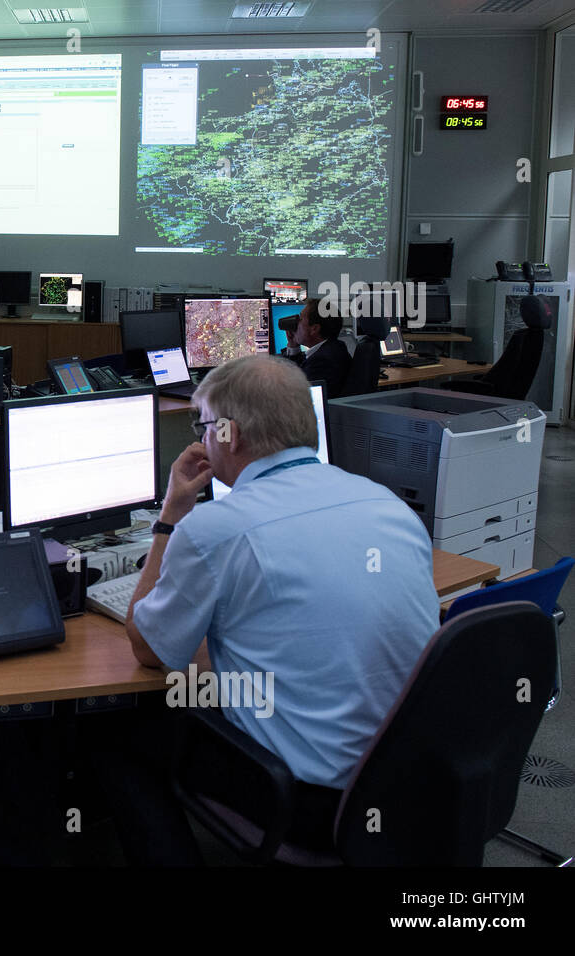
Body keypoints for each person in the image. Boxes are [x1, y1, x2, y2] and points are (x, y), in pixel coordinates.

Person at [105, 355, 440, 861]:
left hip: (309, 803)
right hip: (407, 784)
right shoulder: (387, 505)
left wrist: (171, 516)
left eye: (203, 425)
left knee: (119, 738)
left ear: (229, 435)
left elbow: (149, 649)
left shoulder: (216, 529)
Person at [281, 296, 351, 398]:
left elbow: (293, 393)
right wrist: (293, 345)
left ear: (314, 329)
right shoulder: (334, 348)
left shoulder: (323, 361)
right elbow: (299, 372)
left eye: (300, 319)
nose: (295, 325)